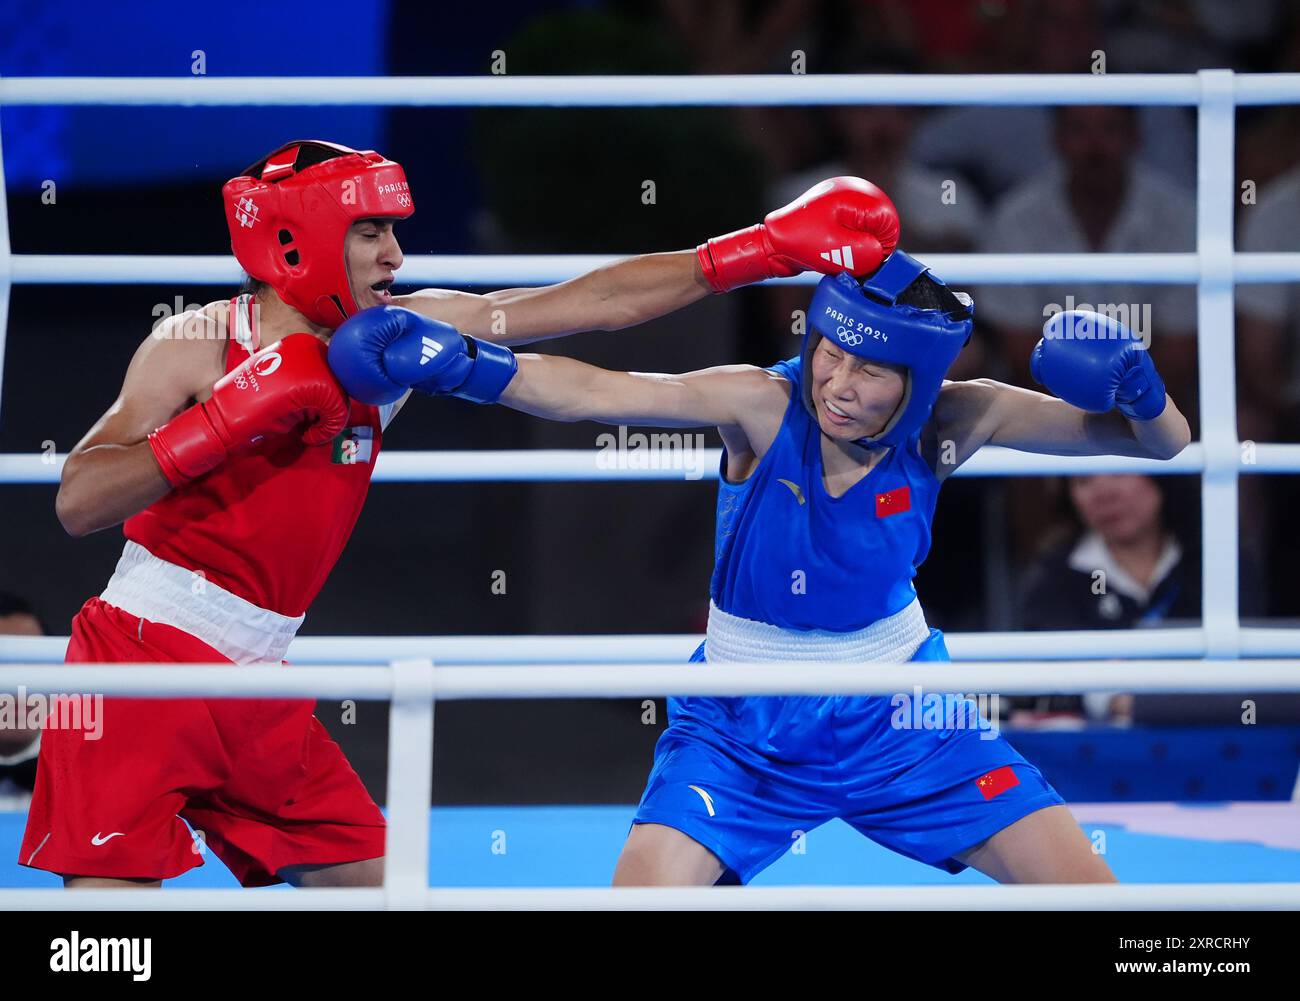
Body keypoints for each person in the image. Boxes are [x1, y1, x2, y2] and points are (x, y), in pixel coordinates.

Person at [20, 138, 901, 889]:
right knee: (107, 940)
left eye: (392, 230)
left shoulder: (397, 339)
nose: (395, 255)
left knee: (383, 893)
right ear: (301, 239)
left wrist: (758, 249)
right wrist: (221, 420)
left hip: (258, 672)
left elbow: (586, 305)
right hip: (141, 660)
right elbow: (79, 499)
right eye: (370, 232)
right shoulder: (197, 342)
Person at [327, 253, 1191, 886]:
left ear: (920, 383)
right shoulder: (763, 403)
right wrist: (470, 367)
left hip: (904, 710)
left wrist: (1142, 390)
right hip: (743, 717)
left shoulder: (960, 419)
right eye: (831, 353)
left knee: (1091, 897)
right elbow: (596, 392)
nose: (839, 385)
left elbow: (1167, 446)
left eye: (870, 370)